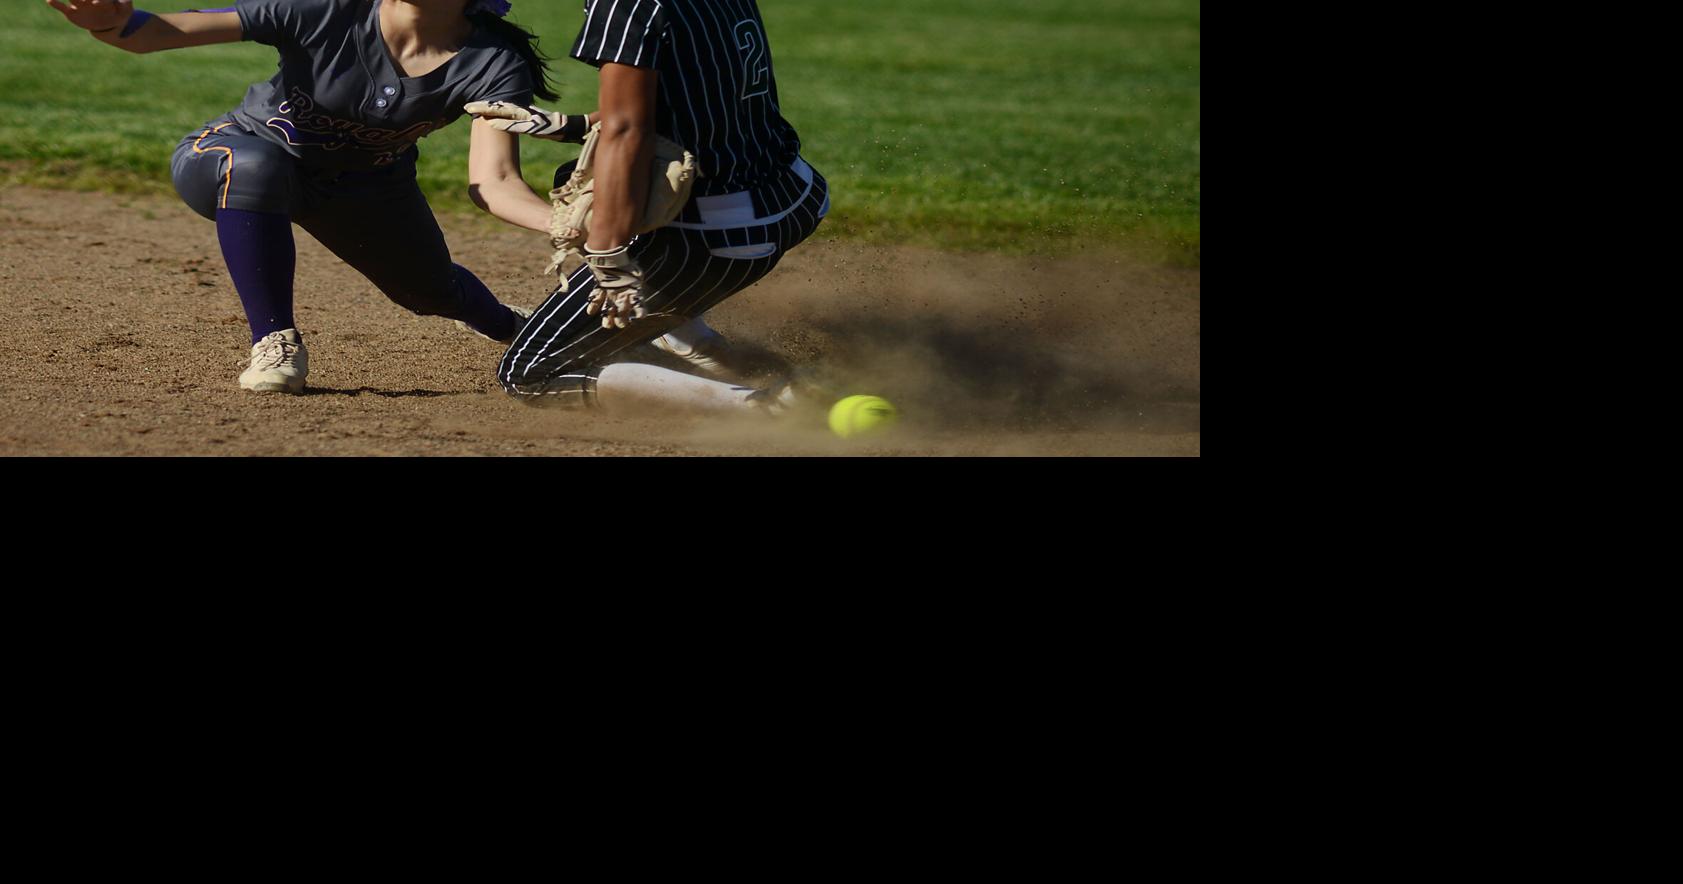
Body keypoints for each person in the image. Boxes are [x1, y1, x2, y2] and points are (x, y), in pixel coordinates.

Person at [45, 0, 558, 393]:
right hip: (233, 154)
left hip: (368, 185)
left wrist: (569, 223)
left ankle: (512, 326)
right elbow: (152, 34)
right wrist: (109, 22)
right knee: (255, 166)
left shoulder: (495, 62)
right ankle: (275, 342)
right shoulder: (329, 9)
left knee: (430, 291)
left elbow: (494, 182)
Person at [473, 0, 829, 415]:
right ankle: (684, 333)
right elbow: (701, 85)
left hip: (716, 238)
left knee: (529, 374)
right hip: (792, 194)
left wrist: (609, 257)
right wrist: (571, 125)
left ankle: (769, 408)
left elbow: (627, 130)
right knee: (572, 175)